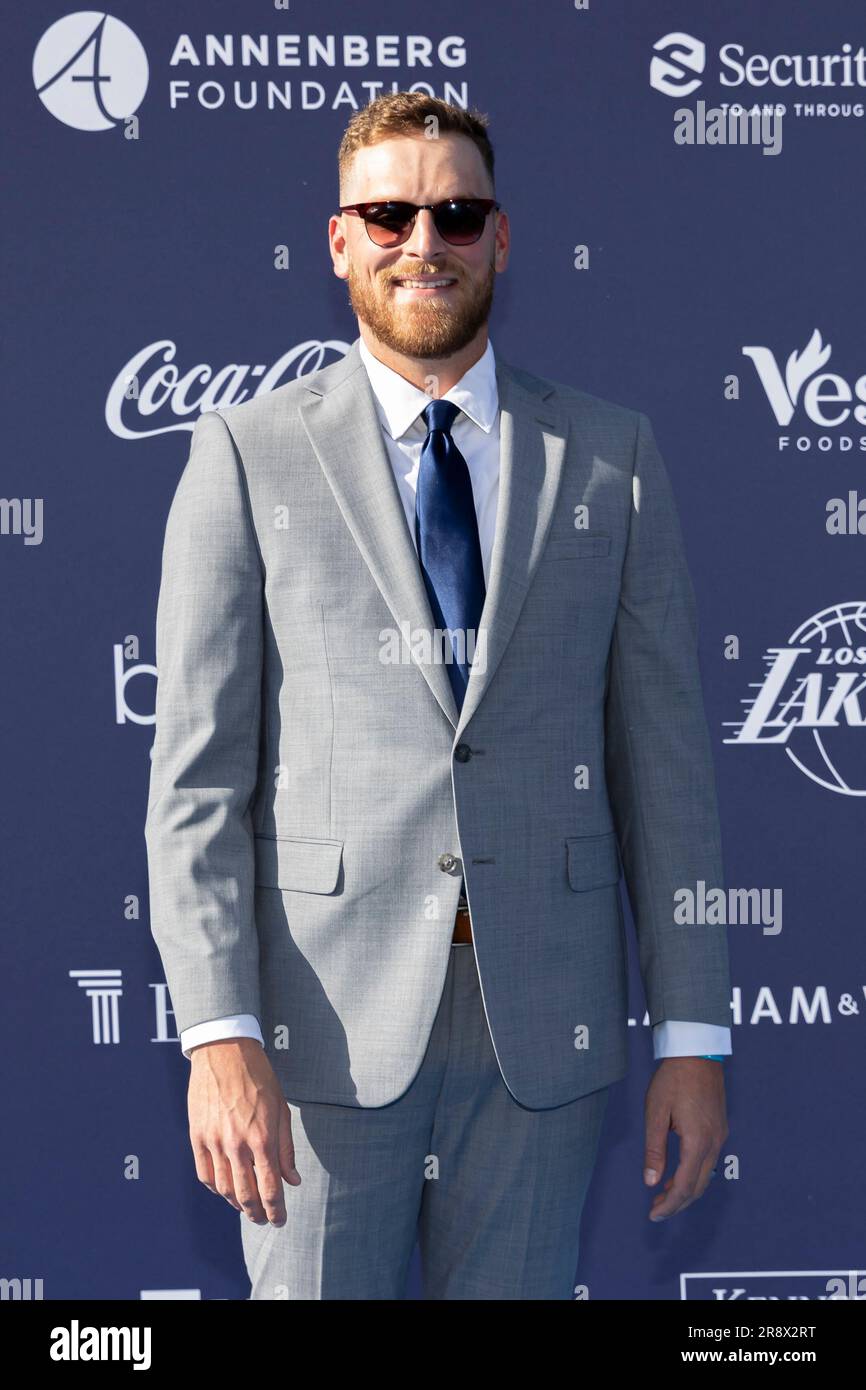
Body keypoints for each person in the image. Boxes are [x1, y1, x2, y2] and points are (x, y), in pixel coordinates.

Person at [144, 91, 732, 1301]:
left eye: (455, 213)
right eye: (390, 213)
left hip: (541, 1033)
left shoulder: (608, 458)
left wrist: (690, 1032)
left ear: (499, 239)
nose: (424, 241)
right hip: (317, 1034)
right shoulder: (245, 454)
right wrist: (216, 1032)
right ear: (340, 240)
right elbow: (196, 779)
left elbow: (664, 769)